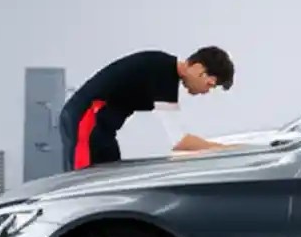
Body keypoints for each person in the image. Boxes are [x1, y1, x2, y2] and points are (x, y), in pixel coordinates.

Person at [59, 47, 235, 172]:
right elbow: (179, 141)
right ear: (198, 69)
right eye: (210, 85)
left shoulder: (163, 71)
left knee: (110, 179)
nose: (206, 92)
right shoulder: (163, 72)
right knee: (82, 188)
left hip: (104, 131)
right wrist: (229, 150)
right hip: (86, 120)